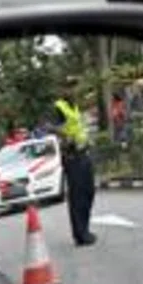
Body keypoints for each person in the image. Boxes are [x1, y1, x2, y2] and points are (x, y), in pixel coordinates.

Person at [54, 97, 97, 246]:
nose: (72, 89)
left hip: (84, 153)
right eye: (68, 86)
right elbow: (49, 126)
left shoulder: (75, 106)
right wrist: (66, 139)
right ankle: (80, 234)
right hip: (72, 156)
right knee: (77, 195)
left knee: (89, 192)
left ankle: (85, 229)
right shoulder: (59, 107)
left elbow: (79, 127)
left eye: (74, 84)